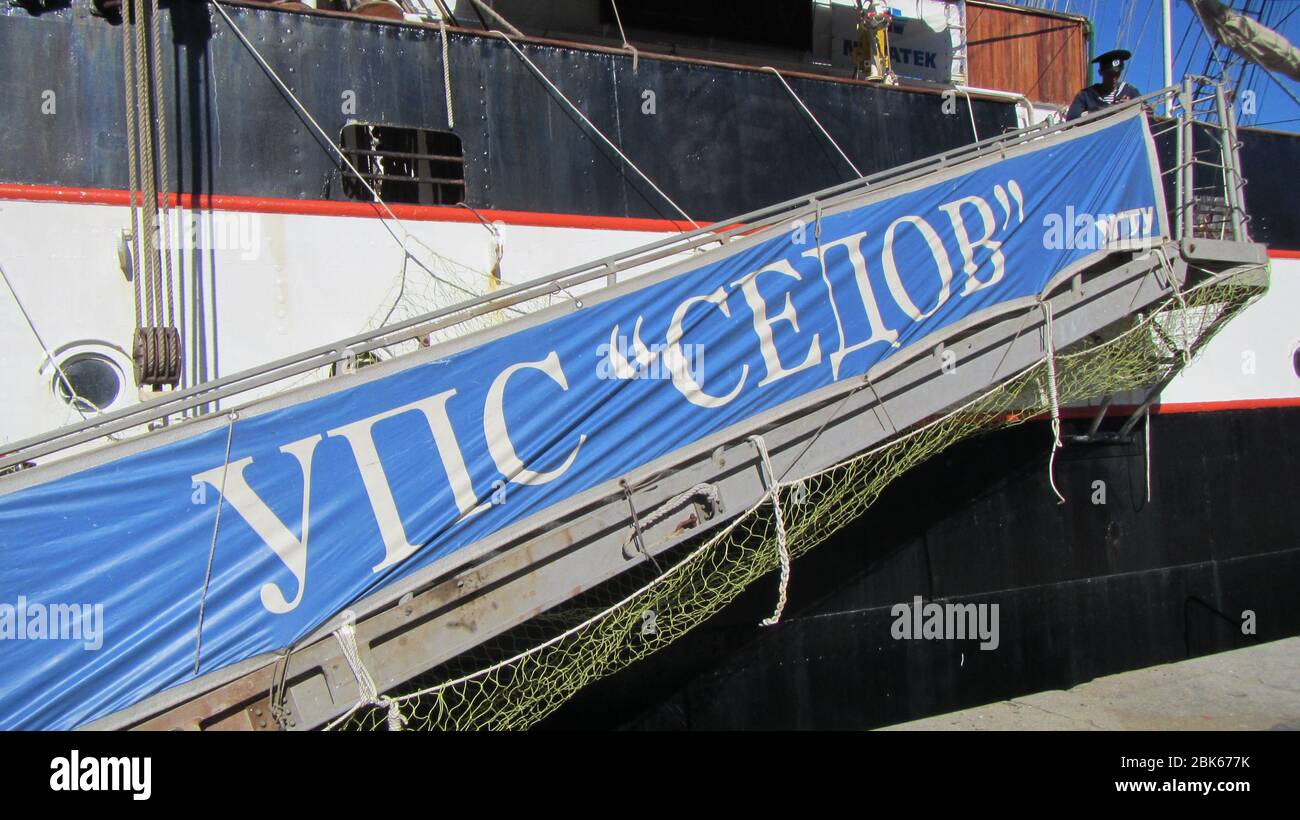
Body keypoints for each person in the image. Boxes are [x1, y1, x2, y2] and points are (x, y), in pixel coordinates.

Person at [1066, 49, 1141, 121]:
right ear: (1101, 72)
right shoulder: (1086, 95)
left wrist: (1132, 107)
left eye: (1117, 74)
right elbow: (1072, 119)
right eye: (1110, 74)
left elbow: (1148, 115)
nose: (1114, 78)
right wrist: (1108, 110)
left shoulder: (1130, 91)